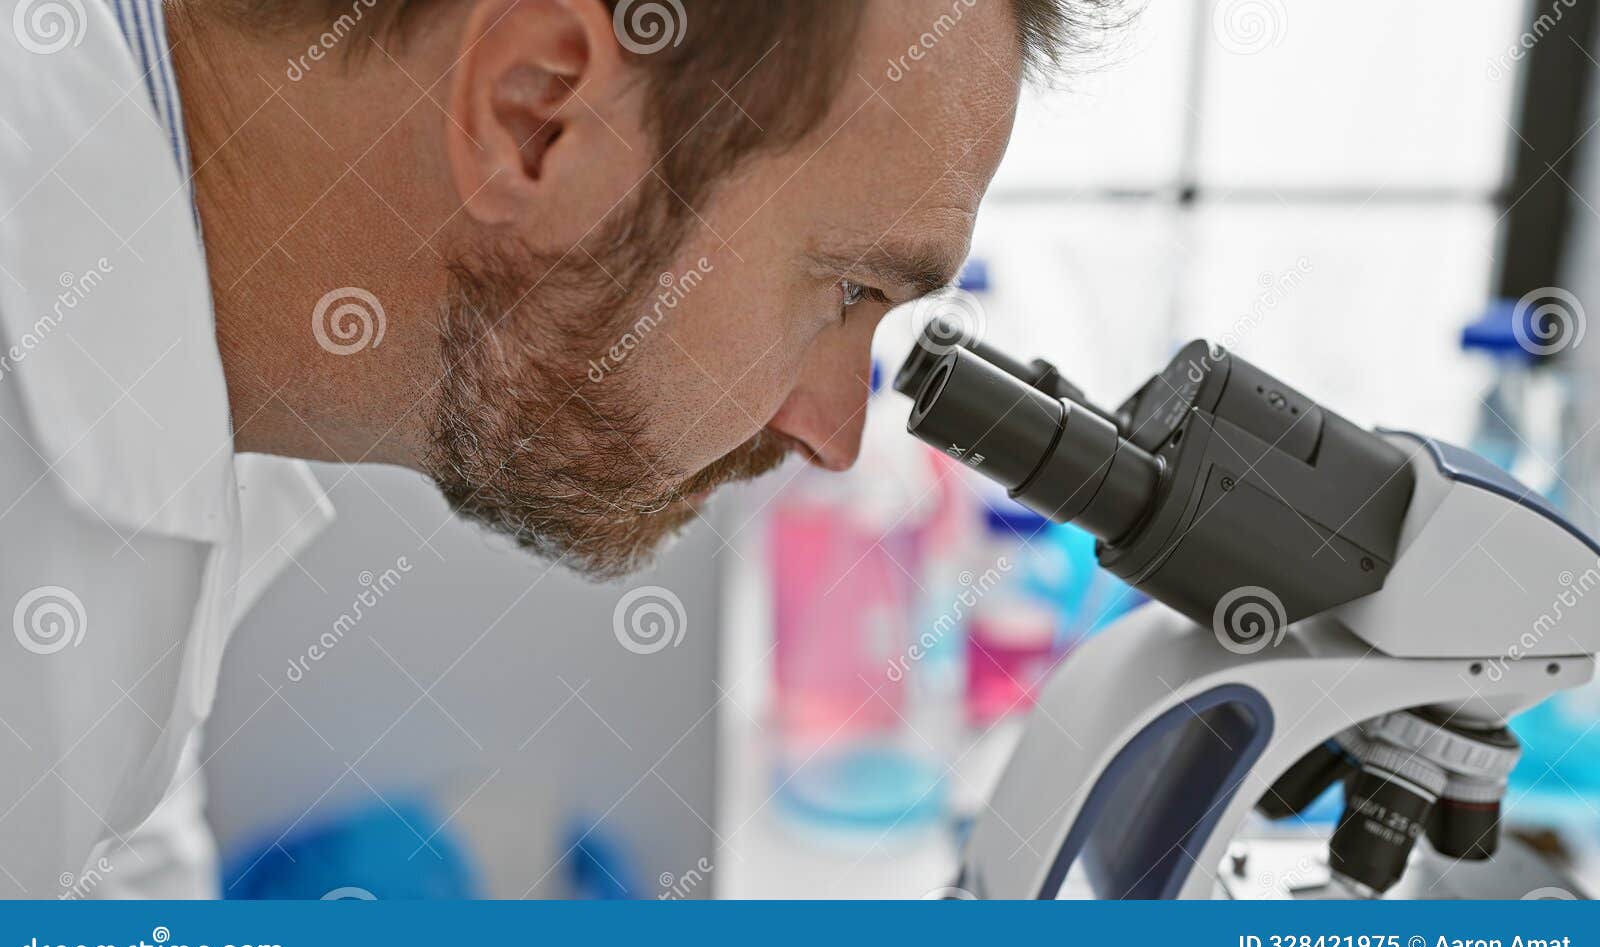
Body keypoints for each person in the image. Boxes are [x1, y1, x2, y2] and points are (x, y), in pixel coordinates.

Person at [0, 0, 1116, 897]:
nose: (829, 431)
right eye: (844, 291)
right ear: (536, 114)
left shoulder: (215, 297)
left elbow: (98, 874)